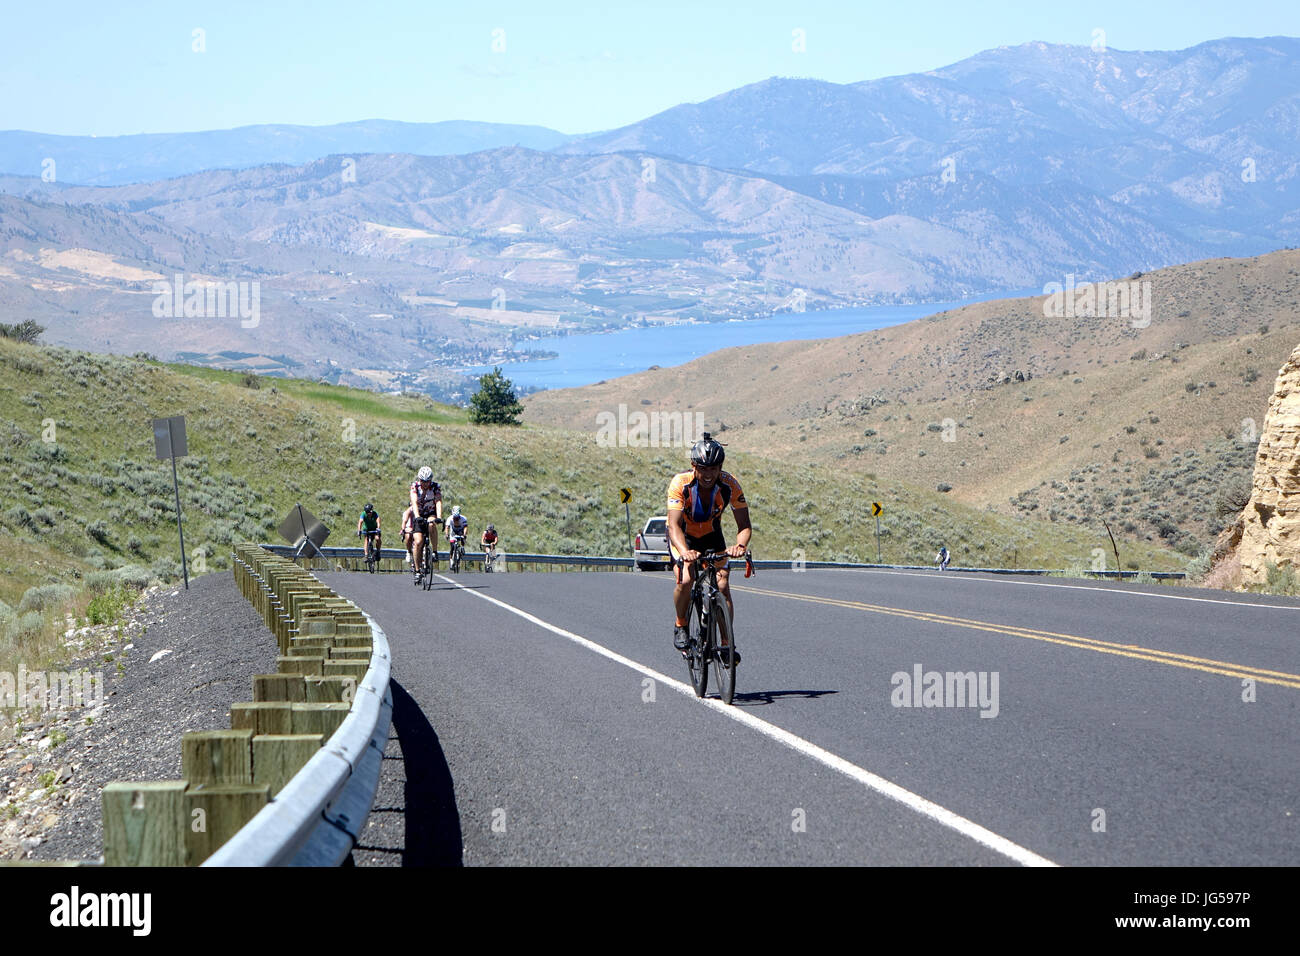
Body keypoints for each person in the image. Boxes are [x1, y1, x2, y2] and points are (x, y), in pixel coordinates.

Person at [667, 433, 751, 663]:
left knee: (722, 586)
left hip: (712, 536)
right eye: (703, 468)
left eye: (714, 468)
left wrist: (740, 545)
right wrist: (684, 551)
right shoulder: (680, 483)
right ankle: (681, 624)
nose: (708, 474)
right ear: (694, 466)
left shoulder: (729, 484)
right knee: (686, 580)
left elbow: (744, 525)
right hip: (683, 536)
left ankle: (726, 645)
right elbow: (673, 525)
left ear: (720, 467)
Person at [409, 467, 444, 581]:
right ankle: (418, 570)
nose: (425, 484)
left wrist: (439, 517)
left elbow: (438, 501)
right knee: (418, 542)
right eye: (423, 481)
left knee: (431, 524)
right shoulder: (415, 486)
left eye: (427, 481)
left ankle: (434, 551)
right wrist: (417, 516)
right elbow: (414, 502)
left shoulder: (435, 487)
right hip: (418, 513)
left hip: (430, 512)